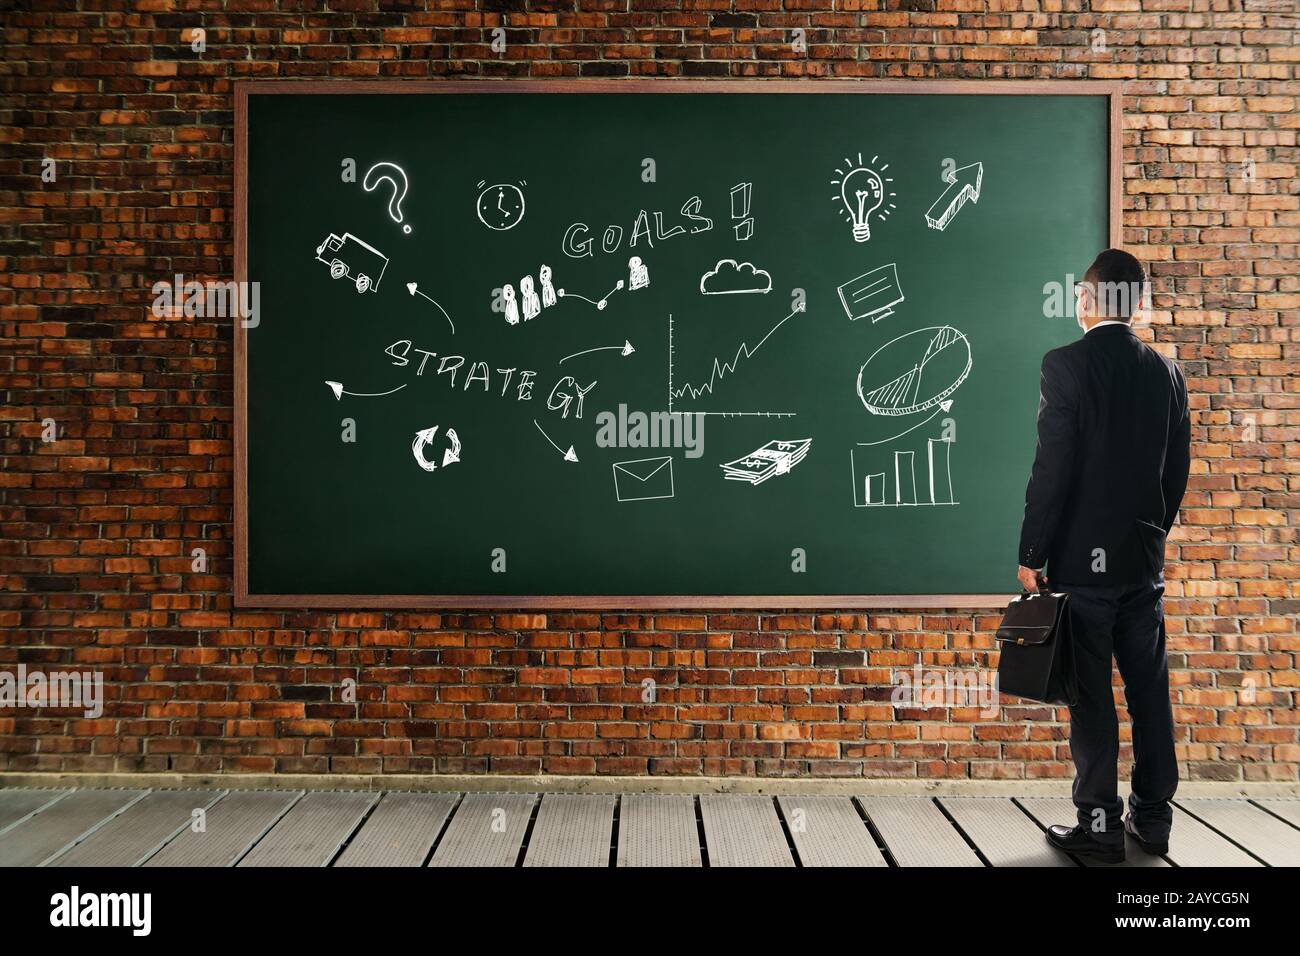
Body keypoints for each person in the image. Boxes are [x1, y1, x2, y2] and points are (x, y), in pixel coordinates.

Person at [1017, 248, 1191, 864]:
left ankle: (1099, 827)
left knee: (1091, 696)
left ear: (1087, 302)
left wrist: (1032, 550)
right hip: (1141, 564)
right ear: (1138, 304)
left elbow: (1052, 469)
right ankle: (1155, 820)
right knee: (1149, 692)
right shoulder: (1166, 372)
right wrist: (1152, 536)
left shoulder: (1064, 364)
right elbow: (1176, 473)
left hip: (1080, 567)